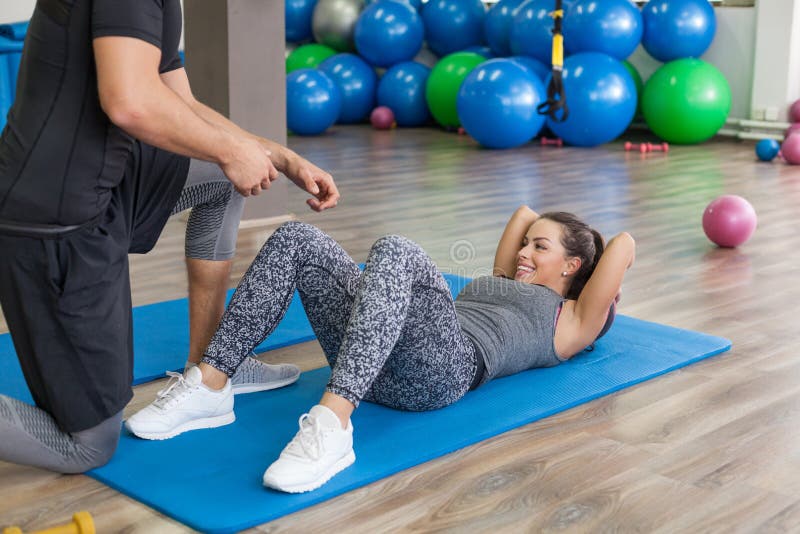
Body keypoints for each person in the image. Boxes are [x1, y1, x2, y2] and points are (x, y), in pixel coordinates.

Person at [0, 0, 339, 473]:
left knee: (222, 180)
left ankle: (212, 369)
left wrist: (278, 156)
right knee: (89, 444)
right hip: (56, 216)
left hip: (104, 179)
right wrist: (230, 150)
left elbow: (178, 100)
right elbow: (130, 102)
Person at [127, 205, 635, 493]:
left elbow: (624, 246)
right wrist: (543, 230)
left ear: (572, 267)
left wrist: (584, 243)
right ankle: (213, 382)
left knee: (396, 248)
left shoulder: (570, 321)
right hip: (374, 351)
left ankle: (332, 425)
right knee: (298, 237)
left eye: (540, 247)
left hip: (442, 370)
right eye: (527, 244)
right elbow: (522, 214)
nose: (523, 251)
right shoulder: (504, 275)